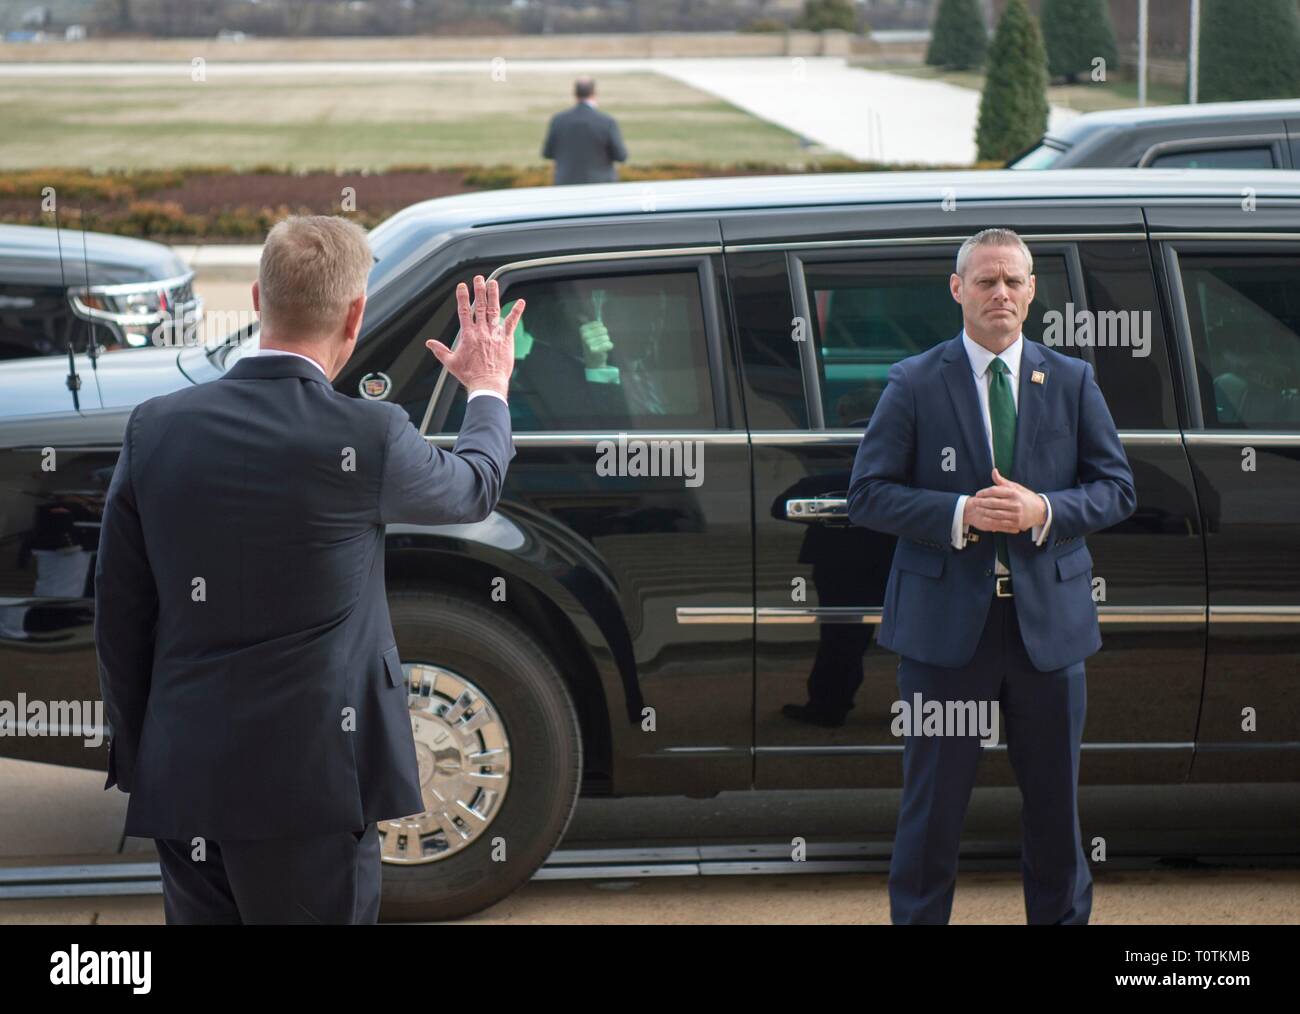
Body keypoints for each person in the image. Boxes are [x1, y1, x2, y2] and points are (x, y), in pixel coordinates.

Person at [94, 215, 523, 924]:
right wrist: (487, 387)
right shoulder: (369, 434)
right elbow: (474, 484)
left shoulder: (154, 427)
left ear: (258, 301)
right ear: (356, 313)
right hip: (312, 787)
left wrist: (149, 756)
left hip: (185, 774)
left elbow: (121, 614)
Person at [847, 227, 1136, 924]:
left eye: (1013, 280)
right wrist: (959, 512)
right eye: (985, 281)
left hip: (1048, 635)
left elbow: (1117, 488)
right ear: (958, 290)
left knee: (1054, 811)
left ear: (1033, 290)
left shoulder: (1071, 380)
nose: (1000, 293)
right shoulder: (914, 380)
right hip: (947, 639)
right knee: (932, 813)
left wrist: (1043, 508)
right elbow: (868, 492)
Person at [541, 76, 628, 185]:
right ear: (594, 92)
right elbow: (621, 156)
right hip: (601, 185)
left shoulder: (559, 120)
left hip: (566, 184)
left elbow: (547, 153)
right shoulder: (606, 122)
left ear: (575, 93)